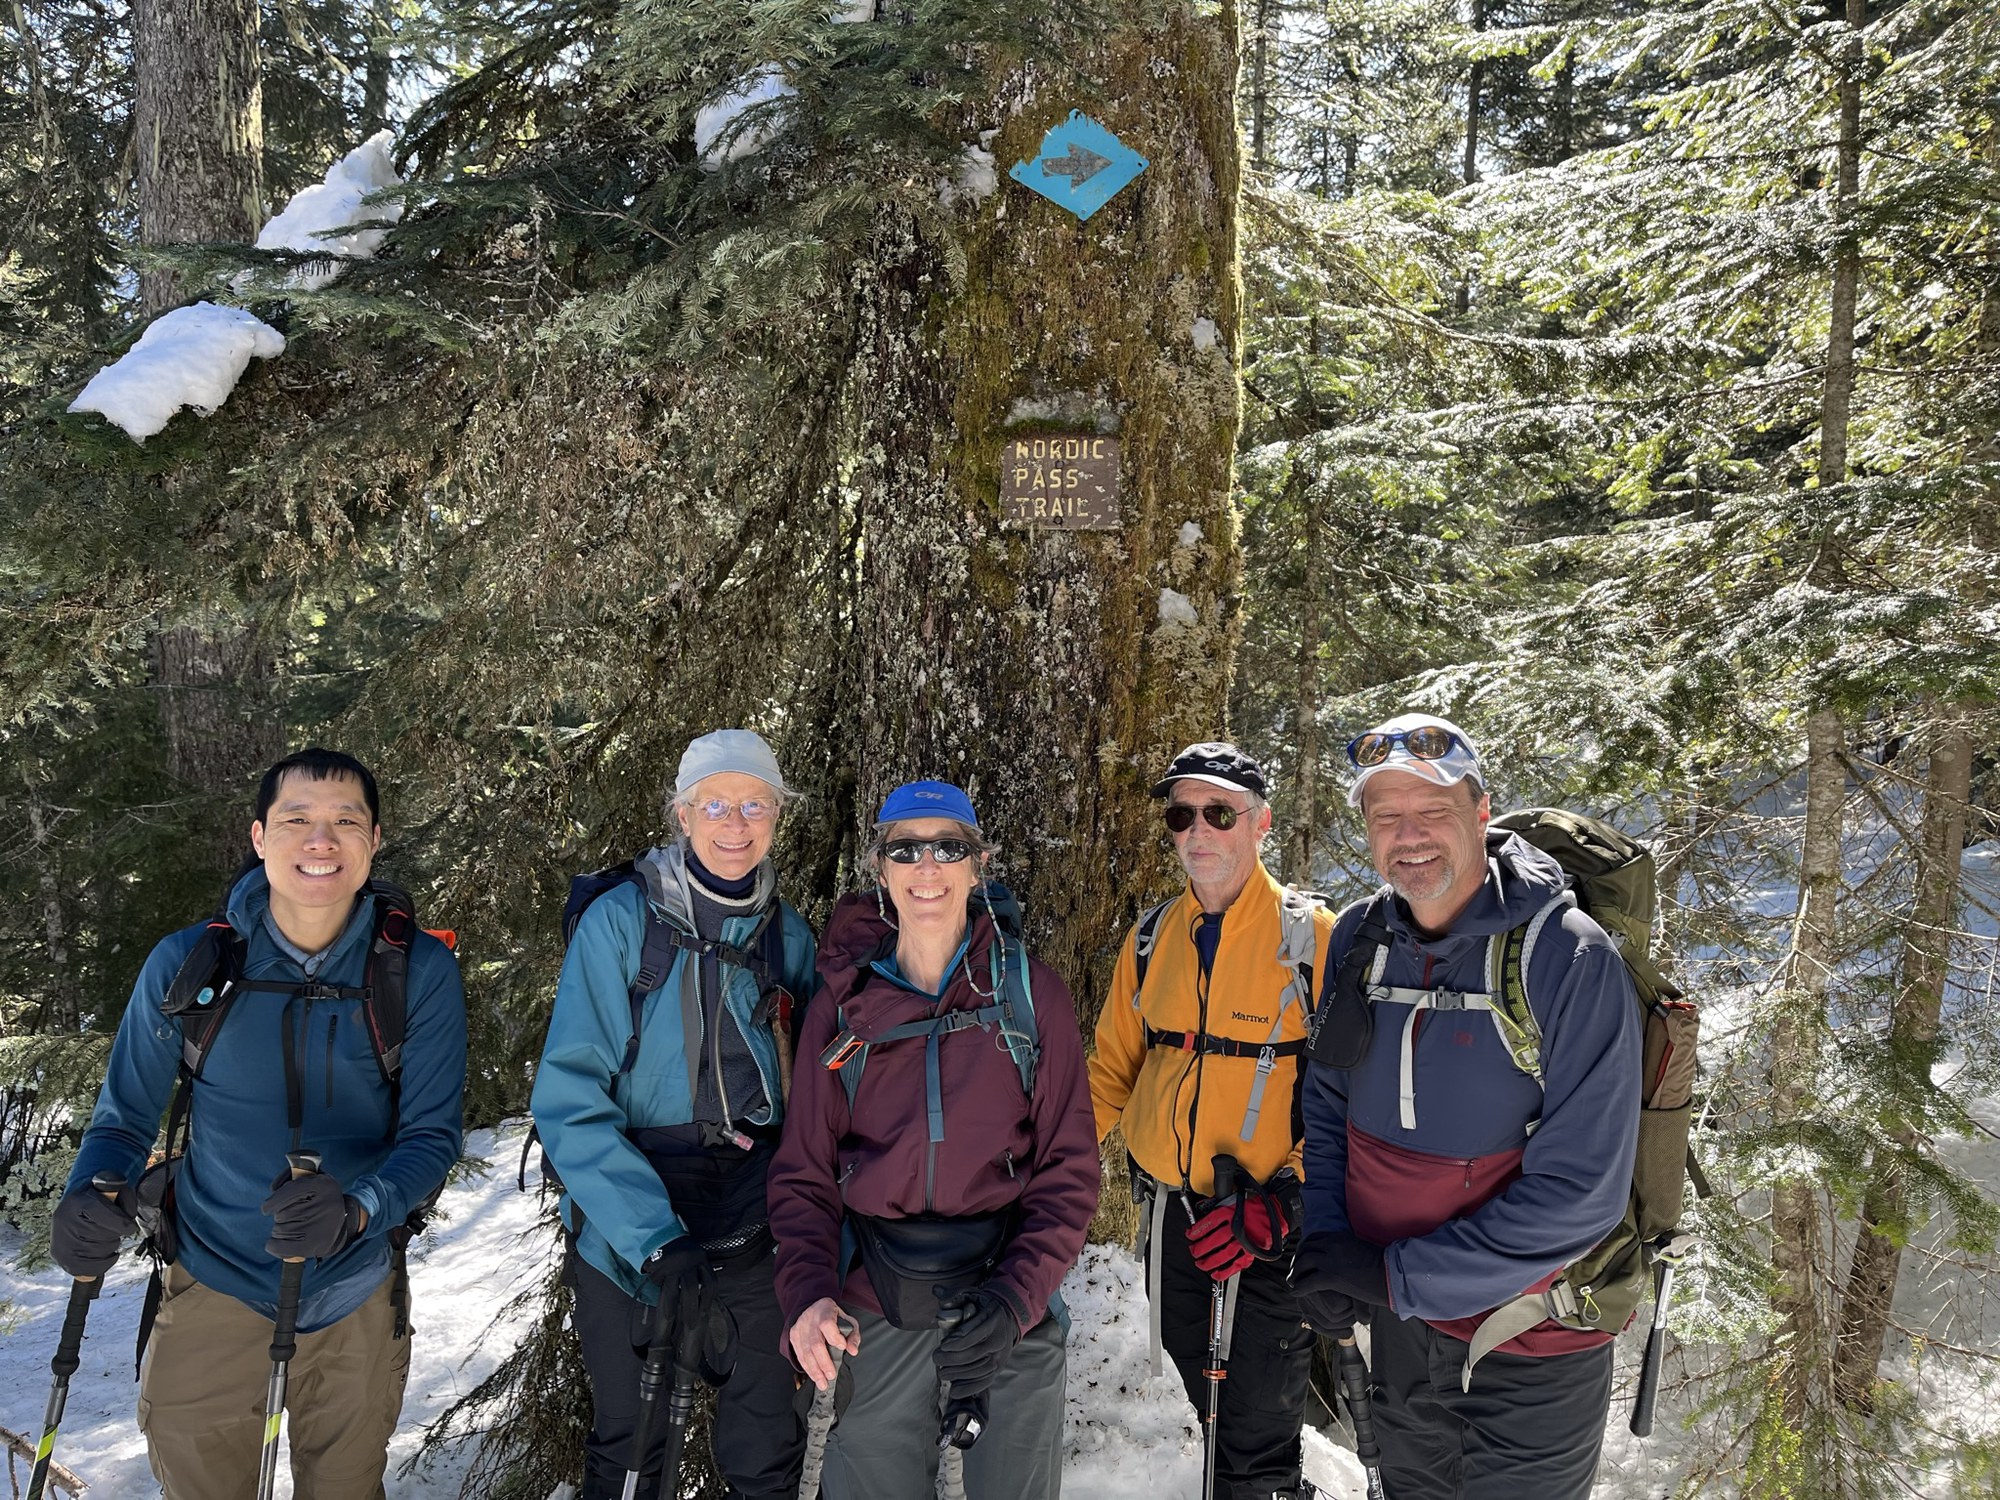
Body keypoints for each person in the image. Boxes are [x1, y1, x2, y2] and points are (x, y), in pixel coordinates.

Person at [54, 747, 467, 1500]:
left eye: (346, 821)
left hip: (355, 1290)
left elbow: (431, 1138)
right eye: (297, 820)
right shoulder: (194, 964)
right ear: (258, 837)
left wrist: (356, 1210)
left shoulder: (412, 972)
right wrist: (92, 1192)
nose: (321, 840)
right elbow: (124, 1120)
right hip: (213, 1278)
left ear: (374, 841)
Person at [1292, 713, 1642, 1500]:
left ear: (1481, 817)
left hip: (1535, 1344)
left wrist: (1393, 1278)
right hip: (1402, 1333)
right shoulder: (1358, 937)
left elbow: (1580, 1197)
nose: (1408, 837)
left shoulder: (1567, 956)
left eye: (1433, 812)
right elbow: (1327, 1105)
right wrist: (1327, 1244)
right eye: (1387, 817)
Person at [771, 780, 1098, 1500]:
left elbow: (1069, 1172)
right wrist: (808, 1296)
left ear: (978, 865)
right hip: (878, 1298)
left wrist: (1017, 1299)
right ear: (881, 870)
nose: (928, 867)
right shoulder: (844, 1003)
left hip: (1008, 1292)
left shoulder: (1028, 995)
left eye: (948, 847)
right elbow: (803, 1174)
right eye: (905, 849)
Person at [531, 728, 820, 1500]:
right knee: (633, 1449)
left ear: (777, 815)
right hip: (630, 1227)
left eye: (755, 802)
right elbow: (567, 1099)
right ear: (682, 816)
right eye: (715, 803)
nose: (736, 822)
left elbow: (817, 1100)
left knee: (766, 1448)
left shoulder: (788, 937)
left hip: (754, 1217)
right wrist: (654, 1242)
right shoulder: (622, 923)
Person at [1089, 742, 1333, 1500]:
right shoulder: (1153, 936)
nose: (1197, 830)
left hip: (1264, 1226)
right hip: (1170, 1218)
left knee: (1257, 1426)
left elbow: (1349, 1098)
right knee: (1203, 1401)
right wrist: (1039, 1173)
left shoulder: (1313, 940)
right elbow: (1108, 1072)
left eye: (1219, 813)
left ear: (1260, 824)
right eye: (1181, 814)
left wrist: (1285, 1200)